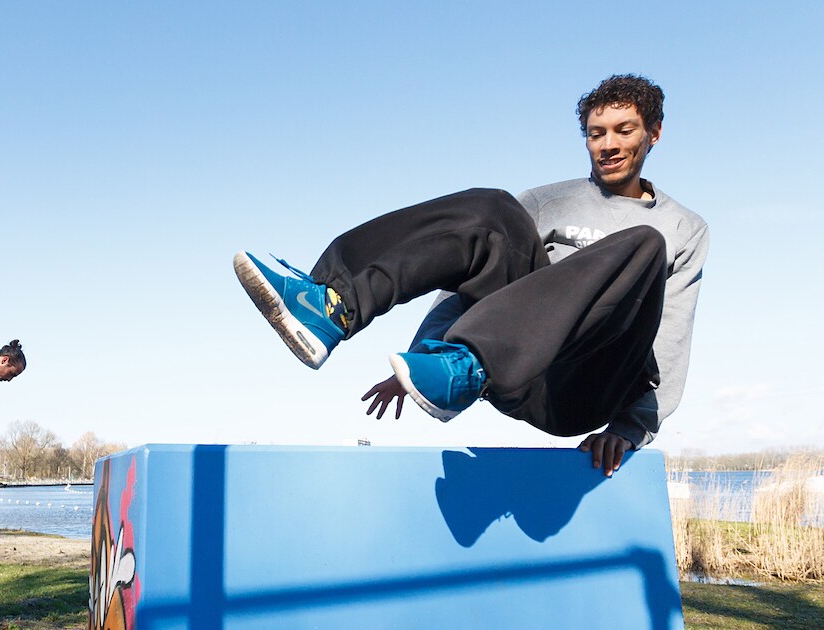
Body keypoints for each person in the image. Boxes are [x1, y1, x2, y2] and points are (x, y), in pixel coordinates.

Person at [234, 74, 708, 476]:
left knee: (642, 245)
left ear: (653, 134)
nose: (608, 145)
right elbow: (463, 281)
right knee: (492, 208)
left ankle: (475, 360)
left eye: (623, 131)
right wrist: (422, 358)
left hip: (587, 386)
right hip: (515, 371)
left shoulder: (682, 228)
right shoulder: (547, 201)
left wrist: (630, 428)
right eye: (595, 133)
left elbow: (671, 336)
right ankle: (334, 307)